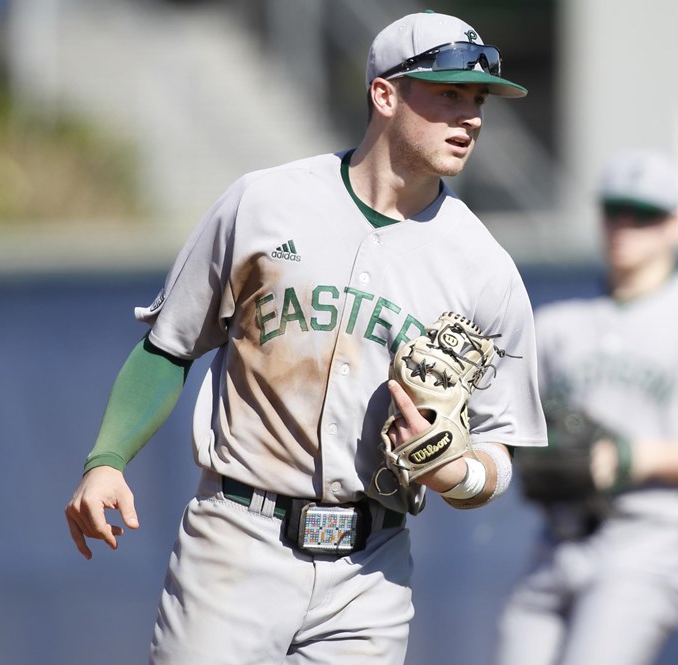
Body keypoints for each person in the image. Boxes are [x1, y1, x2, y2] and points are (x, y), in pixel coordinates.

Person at [64, 11, 548, 665]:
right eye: (449, 94)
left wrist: (455, 472)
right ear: (385, 94)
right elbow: (168, 345)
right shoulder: (261, 203)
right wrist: (107, 459)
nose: (471, 118)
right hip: (238, 541)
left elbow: (500, 449)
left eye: (479, 100)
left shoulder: (484, 268)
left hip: (370, 570)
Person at [493, 149, 678, 665]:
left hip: (648, 543)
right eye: (615, 210)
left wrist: (633, 457)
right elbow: (508, 423)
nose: (626, 226)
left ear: (676, 225)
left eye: (645, 215)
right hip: (555, 541)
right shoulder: (558, 325)